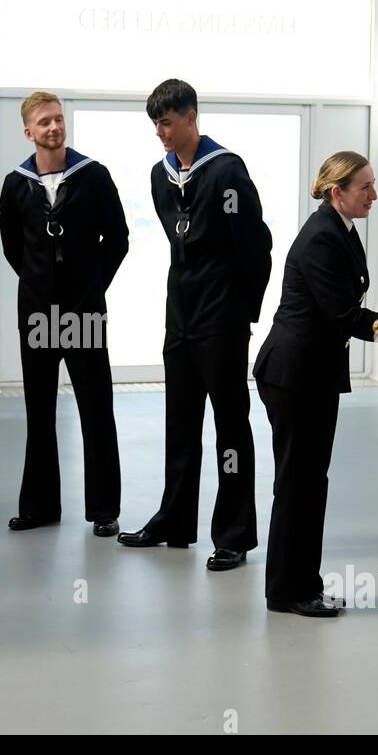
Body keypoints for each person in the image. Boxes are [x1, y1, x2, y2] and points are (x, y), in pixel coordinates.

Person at [253, 151, 378, 617]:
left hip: (313, 374)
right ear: (337, 192)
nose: (374, 195)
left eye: (374, 185)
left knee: (311, 482)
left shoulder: (341, 230)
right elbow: (346, 315)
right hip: (293, 376)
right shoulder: (322, 238)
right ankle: (286, 591)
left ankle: (304, 584)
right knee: (298, 484)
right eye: (366, 187)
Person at [118, 79, 271, 572]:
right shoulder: (160, 176)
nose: (160, 133)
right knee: (179, 424)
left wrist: (243, 311)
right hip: (179, 315)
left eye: (167, 122)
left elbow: (256, 246)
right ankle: (175, 520)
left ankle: (234, 534)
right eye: (155, 124)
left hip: (221, 318)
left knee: (230, 426)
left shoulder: (226, 171)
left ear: (190, 116)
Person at [0, 91, 129, 537]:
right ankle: (39, 506)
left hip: (84, 312)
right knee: (39, 409)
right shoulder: (15, 184)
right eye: (44, 122)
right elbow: (12, 247)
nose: (54, 127)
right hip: (36, 314)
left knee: (96, 408)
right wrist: (40, 284)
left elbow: (117, 239)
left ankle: (104, 510)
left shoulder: (93, 176)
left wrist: (92, 287)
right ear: (28, 131)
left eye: (58, 119)